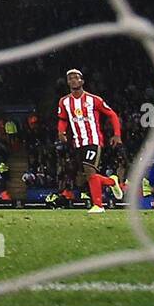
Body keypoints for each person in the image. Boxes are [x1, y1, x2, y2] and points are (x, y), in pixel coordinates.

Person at [56, 68, 123, 214]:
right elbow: (62, 120)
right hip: (78, 143)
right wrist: (61, 132)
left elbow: (112, 115)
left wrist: (117, 134)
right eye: (70, 78)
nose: (73, 79)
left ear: (82, 81)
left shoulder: (94, 100)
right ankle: (112, 181)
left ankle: (98, 205)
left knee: (89, 170)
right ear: (68, 82)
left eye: (76, 77)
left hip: (93, 140)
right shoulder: (64, 102)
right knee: (88, 174)